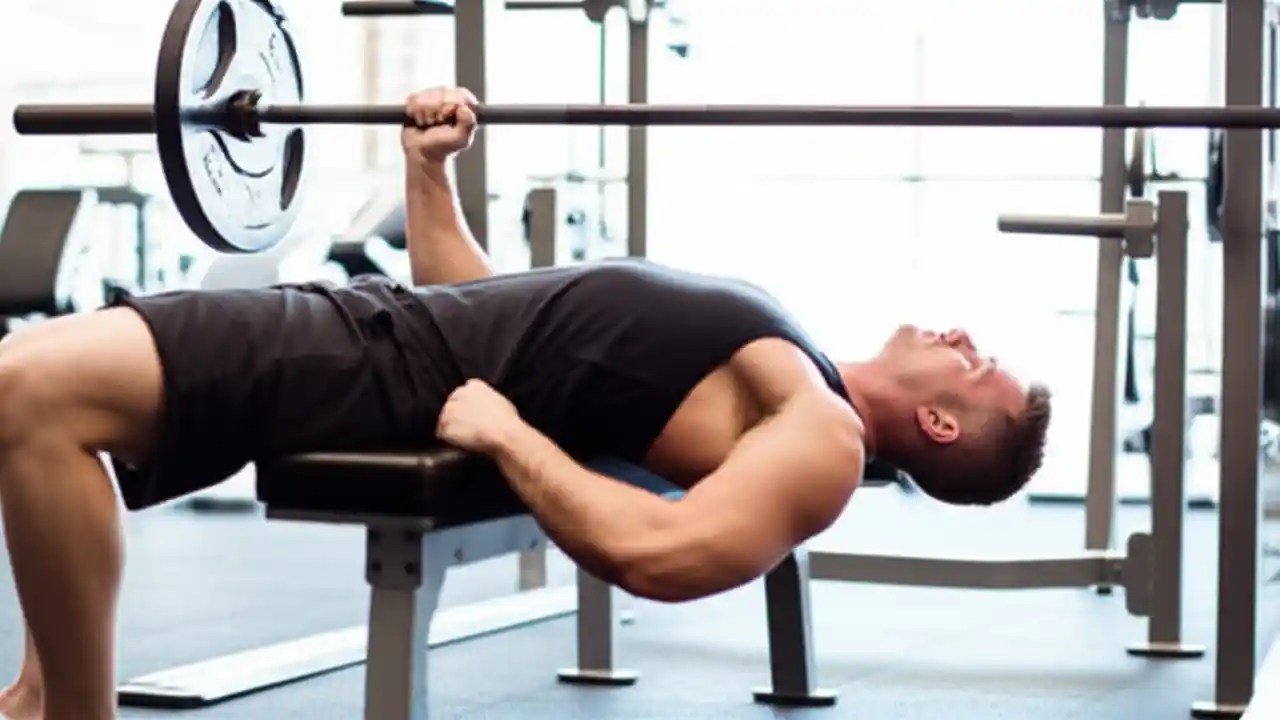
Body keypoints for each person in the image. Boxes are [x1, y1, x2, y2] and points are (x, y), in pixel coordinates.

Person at [0, 87, 1051, 720]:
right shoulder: (795, 369)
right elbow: (484, 311)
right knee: (39, 410)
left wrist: (507, 439)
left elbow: (665, 557)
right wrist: (430, 172)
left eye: (977, 363)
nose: (963, 336)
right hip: (385, 332)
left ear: (941, 426)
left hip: (370, 362)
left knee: (27, 390)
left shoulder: (821, 434)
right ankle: (43, 698)